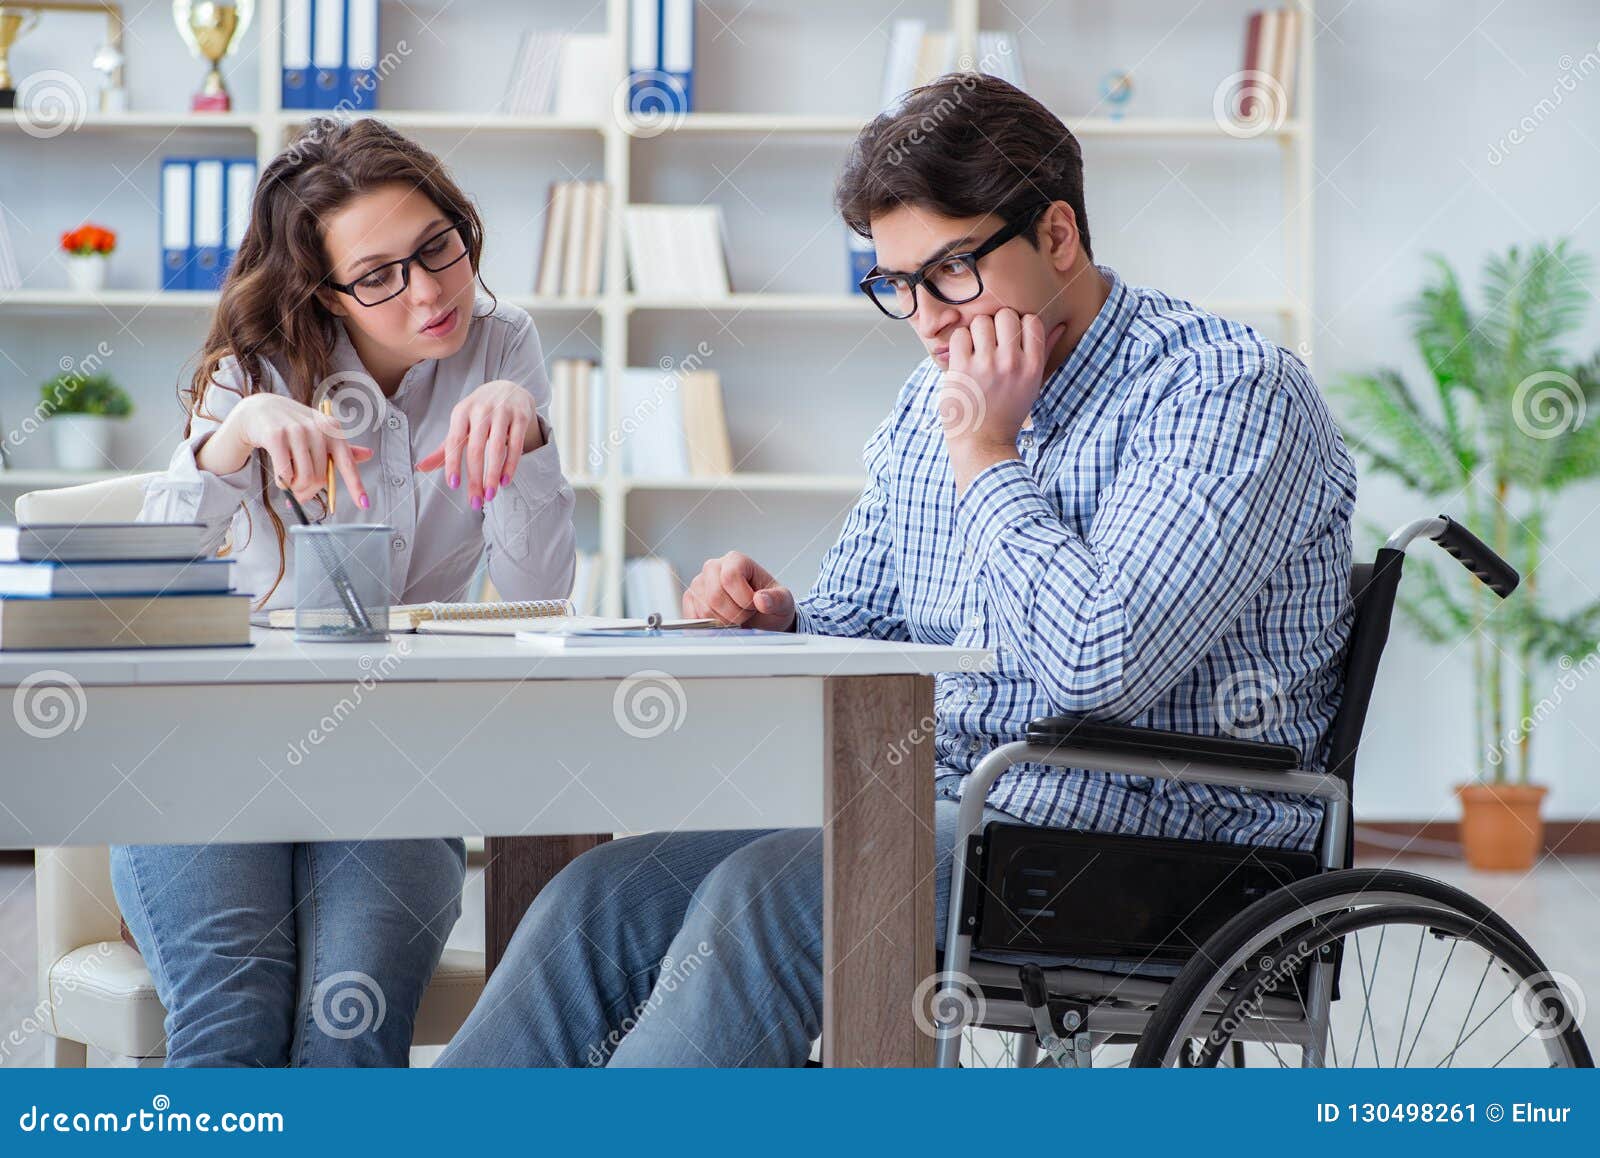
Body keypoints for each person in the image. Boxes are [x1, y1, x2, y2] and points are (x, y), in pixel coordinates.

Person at [437, 73, 1356, 1068]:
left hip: (1162, 844)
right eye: (897, 285)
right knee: (599, 901)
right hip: (950, 808)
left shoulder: (1225, 389)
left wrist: (988, 456)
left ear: (1055, 236)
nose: (925, 321)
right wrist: (780, 625)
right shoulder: (933, 402)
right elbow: (867, 633)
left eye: (951, 272)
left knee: (777, 892)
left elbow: (1101, 661)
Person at [113, 118, 576, 1067]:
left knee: (349, 1030)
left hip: (390, 767)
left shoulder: (502, 346)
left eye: (438, 247)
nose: (431, 291)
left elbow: (536, 597)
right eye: (378, 276)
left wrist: (529, 448)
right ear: (324, 289)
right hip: (210, 758)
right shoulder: (254, 365)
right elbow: (144, 588)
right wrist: (231, 438)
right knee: (233, 1027)